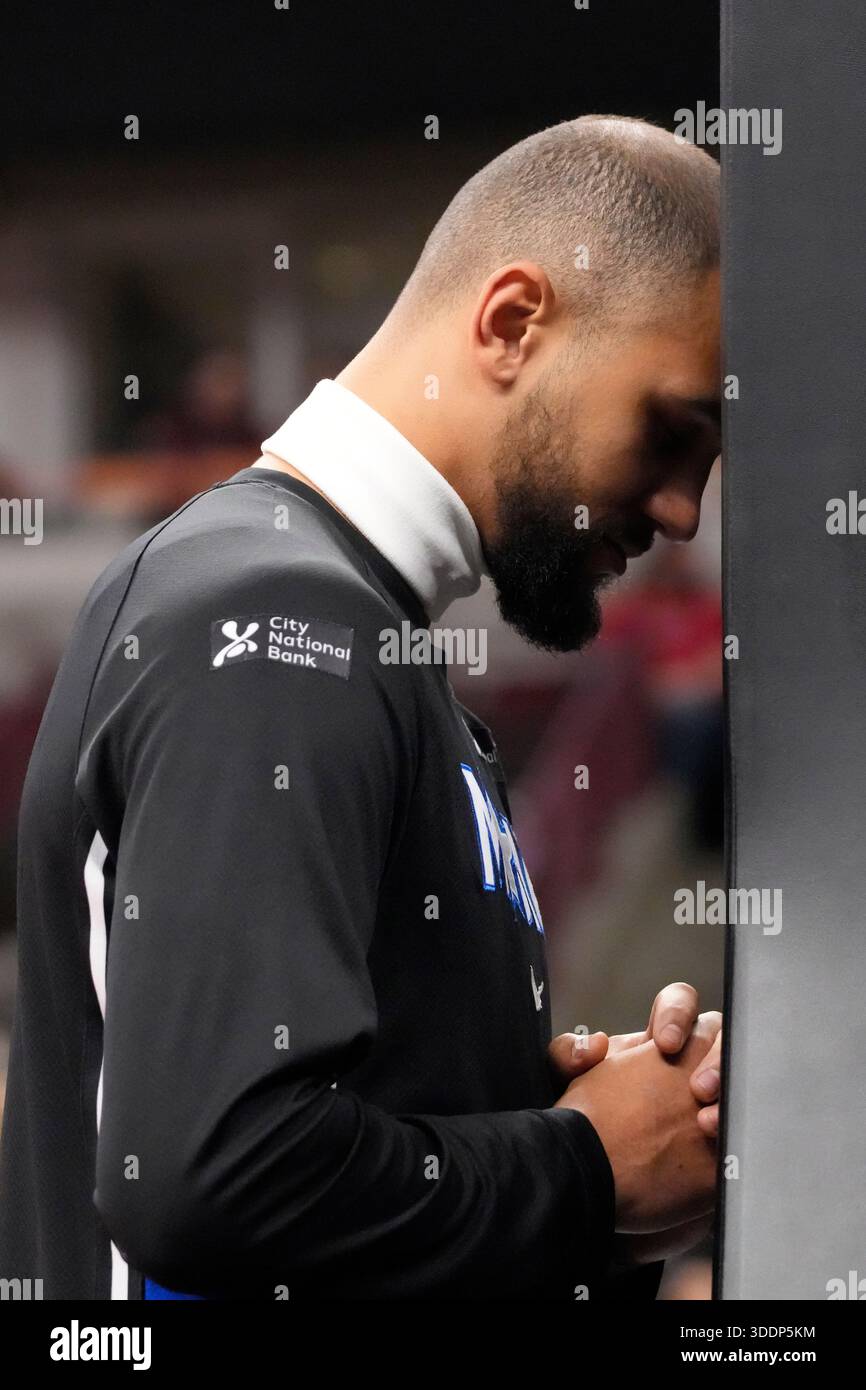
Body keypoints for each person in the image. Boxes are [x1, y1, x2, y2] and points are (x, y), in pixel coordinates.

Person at [0, 115, 723, 1300]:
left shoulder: (359, 638)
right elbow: (214, 1174)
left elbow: (334, 1183)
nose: (684, 509)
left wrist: (559, 1129)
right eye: (669, 429)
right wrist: (581, 1164)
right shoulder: (275, 614)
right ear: (509, 324)